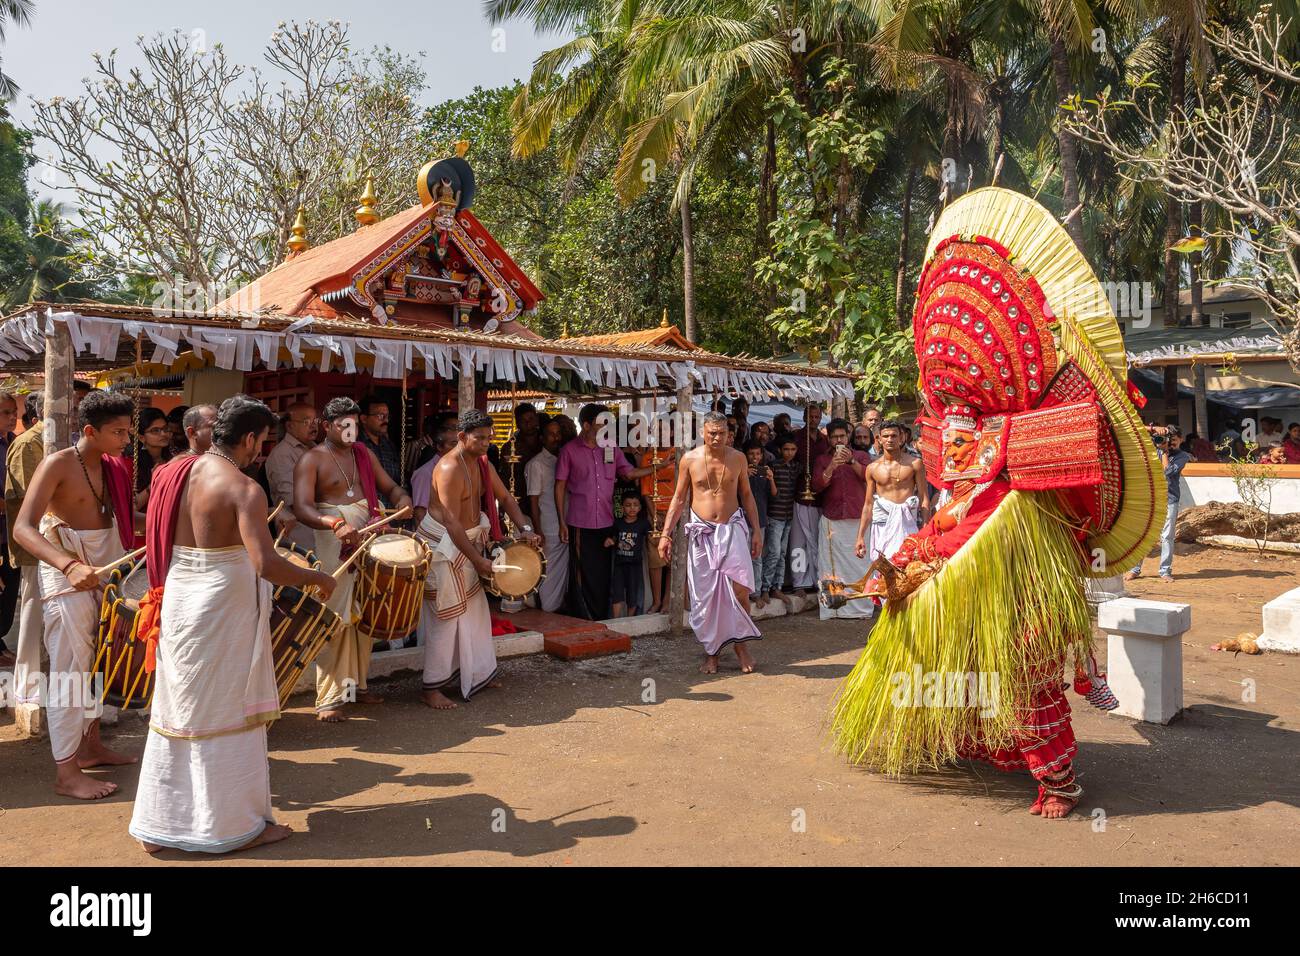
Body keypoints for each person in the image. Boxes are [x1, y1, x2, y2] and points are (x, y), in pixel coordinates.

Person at [128, 396, 335, 854]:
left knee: (177, 710)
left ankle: (159, 824)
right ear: (247, 438)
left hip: (182, 598)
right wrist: (314, 577)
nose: (258, 452)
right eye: (261, 443)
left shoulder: (176, 472)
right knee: (228, 714)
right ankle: (233, 826)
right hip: (223, 608)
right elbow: (265, 563)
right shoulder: (244, 489)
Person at [13, 390, 140, 800]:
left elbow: (121, 516)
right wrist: (68, 565)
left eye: (128, 429)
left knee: (100, 660)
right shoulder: (57, 464)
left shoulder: (115, 466)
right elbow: (23, 528)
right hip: (67, 571)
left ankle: (90, 746)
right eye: (118, 431)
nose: (126, 438)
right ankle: (66, 773)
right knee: (70, 670)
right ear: (90, 430)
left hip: (106, 569)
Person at [293, 397, 412, 721]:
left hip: (368, 540)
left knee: (363, 616)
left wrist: (403, 499)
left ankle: (355, 687)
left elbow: (390, 488)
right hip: (334, 545)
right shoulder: (312, 459)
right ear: (327, 425)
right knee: (334, 618)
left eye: (354, 425)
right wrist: (334, 523)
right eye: (344, 425)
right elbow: (302, 507)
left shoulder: (363, 453)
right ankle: (328, 700)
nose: (350, 431)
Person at [417, 408, 540, 709]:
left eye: (490, 437)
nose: (488, 443)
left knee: (474, 612)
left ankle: (477, 673)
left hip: (467, 543)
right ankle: (432, 687)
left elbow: (507, 498)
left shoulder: (482, 462)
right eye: (481, 438)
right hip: (445, 547)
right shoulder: (448, 469)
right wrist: (477, 559)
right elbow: (451, 522)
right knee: (446, 616)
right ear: (462, 437)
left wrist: (525, 528)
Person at [658, 413, 762, 674]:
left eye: (721, 433)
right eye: (711, 432)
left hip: (732, 529)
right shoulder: (690, 459)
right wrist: (665, 534)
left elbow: (747, 496)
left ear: (729, 433)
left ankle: (741, 646)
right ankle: (712, 653)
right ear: (703, 432)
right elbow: (679, 499)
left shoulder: (738, 458)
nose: (716, 437)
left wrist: (757, 531)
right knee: (705, 596)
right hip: (701, 532)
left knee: (740, 590)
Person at [555, 403, 671, 620]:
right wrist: (562, 521)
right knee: (583, 572)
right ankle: (584, 616)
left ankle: (602, 615)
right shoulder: (569, 450)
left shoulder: (610, 446)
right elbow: (559, 486)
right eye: (601, 423)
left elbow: (629, 474)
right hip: (581, 522)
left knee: (604, 571)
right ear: (586, 425)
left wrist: (658, 468)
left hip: (607, 520)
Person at [5, 392, 46, 703]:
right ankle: (28, 689)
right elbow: (26, 501)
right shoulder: (27, 444)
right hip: (35, 542)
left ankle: (44, 680)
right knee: (31, 613)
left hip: (58, 543)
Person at [811, 418, 874, 620]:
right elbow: (817, 486)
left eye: (842, 436)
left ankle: (861, 608)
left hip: (858, 519)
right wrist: (831, 466)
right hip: (832, 518)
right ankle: (833, 608)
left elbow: (868, 477)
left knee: (860, 564)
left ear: (848, 437)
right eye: (834, 437)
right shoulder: (821, 460)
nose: (839, 440)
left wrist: (851, 462)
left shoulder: (862, 456)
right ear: (829, 439)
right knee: (830, 566)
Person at [855, 420, 928, 578]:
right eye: (886, 436)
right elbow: (868, 504)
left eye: (894, 435)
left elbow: (924, 499)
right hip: (882, 526)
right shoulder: (872, 468)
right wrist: (860, 536)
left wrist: (926, 529)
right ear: (879, 439)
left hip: (908, 525)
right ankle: (883, 604)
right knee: (884, 576)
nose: (890, 439)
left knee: (910, 571)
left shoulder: (915, 464)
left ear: (901, 438)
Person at [1125, 424, 1193, 583]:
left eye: (1175, 440)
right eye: (1170, 440)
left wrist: (1163, 451)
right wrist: (1156, 429)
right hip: (1151, 499)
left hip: (1170, 500)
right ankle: (1135, 569)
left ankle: (1165, 571)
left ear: (1181, 439)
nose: (1172, 443)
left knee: (1167, 537)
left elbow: (1167, 472)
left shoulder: (1183, 456)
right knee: (1142, 535)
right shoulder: (1153, 449)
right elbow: (1134, 427)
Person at [525, 419, 569, 613]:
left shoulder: (562, 459)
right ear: (542, 438)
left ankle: (555, 606)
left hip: (565, 522)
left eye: (558, 433)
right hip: (549, 525)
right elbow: (533, 500)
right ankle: (549, 609)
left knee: (559, 570)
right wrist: (538, 529)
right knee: (549, 570)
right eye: (551, 434)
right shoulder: (536, 464)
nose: (556, 438)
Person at [786, 402, 829, 596]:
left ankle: (815, 579)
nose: (813, 420)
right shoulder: (796, 438)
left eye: (816, 417)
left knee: (818, 541)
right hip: (799, 497)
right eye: (810, 416)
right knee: (799, 542)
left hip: (820, 497)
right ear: (804, 417)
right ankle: (799, 582)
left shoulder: (824, 441)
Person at [264, 402, 318, 551]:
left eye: (316, 421)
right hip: (300, 536)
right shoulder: (282, 455)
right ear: (289, 426)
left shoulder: (317, 449)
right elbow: (293, 499)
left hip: (322, 534)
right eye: (307, 421)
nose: (314, 426)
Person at [760, 437, 800, 608]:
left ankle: (777, 587)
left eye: (792, 449)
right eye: (786, 449)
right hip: (774, 515)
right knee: (774, 552)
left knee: (782, 553)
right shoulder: (774, 466)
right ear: (780, 450)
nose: (789, 453)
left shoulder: (797, 467)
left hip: (788, 514)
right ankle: (764, 588)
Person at [606, 491, 651, 617]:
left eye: (635, 505)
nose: (632, 508)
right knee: (617, 594)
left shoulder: (643, 523)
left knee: (632, 595)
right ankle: (615, 621)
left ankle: (630, 620)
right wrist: (610, 541)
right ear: (622, 507)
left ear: (640, 507)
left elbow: (650, 538)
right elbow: (614, 537)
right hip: (619, 565)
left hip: (635, 565)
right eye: (628, 505)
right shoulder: (618, 523)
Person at [743, 440, 774, 608]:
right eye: (751, 454)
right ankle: (743, 592)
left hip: (760, 520)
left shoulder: (765, 472)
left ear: (762, 456)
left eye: (757, 454)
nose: (755, 457)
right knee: (742, 557)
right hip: (742, 521)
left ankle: (755, 592)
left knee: (757, 558)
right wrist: (744, 475)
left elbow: (773, 494)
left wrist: (771, 478)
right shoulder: (741, 472)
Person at [0, 392, 18, 667]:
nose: (13, 417)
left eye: (13, 411)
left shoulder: (14, 442)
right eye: (6, 412)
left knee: (9, 590)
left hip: (11, 534)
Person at [125, 407, 173, 511]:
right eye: (155, 430)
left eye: (165, 429)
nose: (163, 434)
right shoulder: (132, 463)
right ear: (141, 437)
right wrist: (153, 483)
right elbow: (133, 507)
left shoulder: (173, 460)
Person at [358, 395, 401, 506]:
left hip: (391, 513)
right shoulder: (356, 445)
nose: (386, 420)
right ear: (363, 419)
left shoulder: (389, 445)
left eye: (387, 416)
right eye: (380, 416)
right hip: (367, 512)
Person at [411, 428, 458, 527]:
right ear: (439, 447)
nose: (458, 449)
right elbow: (420, 514)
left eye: (460, 444)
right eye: (453, 444)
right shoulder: (425, 473)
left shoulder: (458, 470)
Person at [499, 401, 542, 494]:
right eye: (523, 421)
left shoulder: (546, 442)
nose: (528, 424)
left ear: (537, 419)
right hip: (520, 498)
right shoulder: (509, 448)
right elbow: (505, 478)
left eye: (531, 419)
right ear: (517, 424)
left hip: (544, 499)